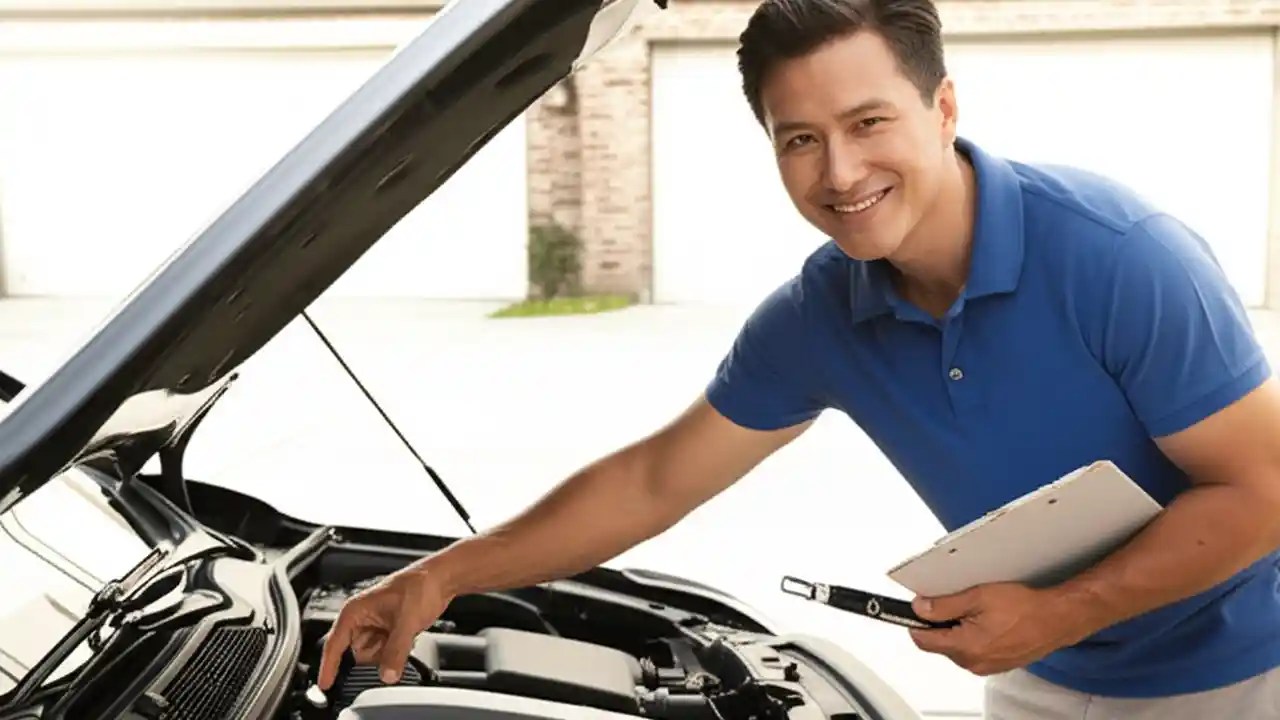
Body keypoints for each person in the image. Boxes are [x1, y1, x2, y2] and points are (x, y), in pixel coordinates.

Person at [318, 0, 1280, 716]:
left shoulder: (1117, 257)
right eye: (801, 141)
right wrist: (441, 577)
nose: (840, 174)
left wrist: (1066, 610)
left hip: (1243, 671)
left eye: (869, 124)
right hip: (1042, 671)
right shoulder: (824, 312)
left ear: (942, 106)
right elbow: (652, 480)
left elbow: (1266, 489)